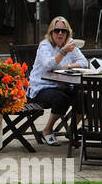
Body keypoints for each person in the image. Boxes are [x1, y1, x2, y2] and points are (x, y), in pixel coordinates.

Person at [28, 15, 89, 146]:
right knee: (61, 99)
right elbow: (48, 65)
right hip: (41, 87)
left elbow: (84, 62)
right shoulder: (45, 45)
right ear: (51, 32)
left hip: (62, 85)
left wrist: (69, 66)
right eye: (57, 30)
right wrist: (63, 51)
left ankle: (71, 130)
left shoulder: (70, 44)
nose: (60, 33)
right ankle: (47, 130)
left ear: (68, 33)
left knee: (84, 96)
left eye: (63, 31)